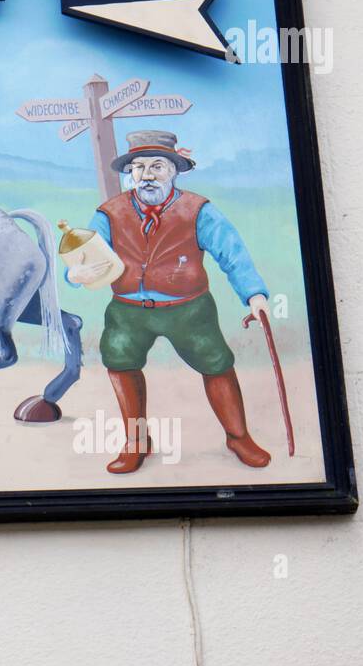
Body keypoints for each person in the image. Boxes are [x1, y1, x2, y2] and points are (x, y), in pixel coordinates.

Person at [67, 130, 272, 473]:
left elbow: (231, 252)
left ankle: (238, 437)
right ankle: (136, 442)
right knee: (119, 361)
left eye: (157, 166)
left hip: (189, 309)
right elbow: (84, 258)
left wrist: (254, 295)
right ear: (129, 173)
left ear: (174, 170)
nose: (147, 175)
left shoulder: (198, 210)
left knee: (217, 364)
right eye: (139, 167)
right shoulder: (109, 213)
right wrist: (76, 275)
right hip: (128, 309)